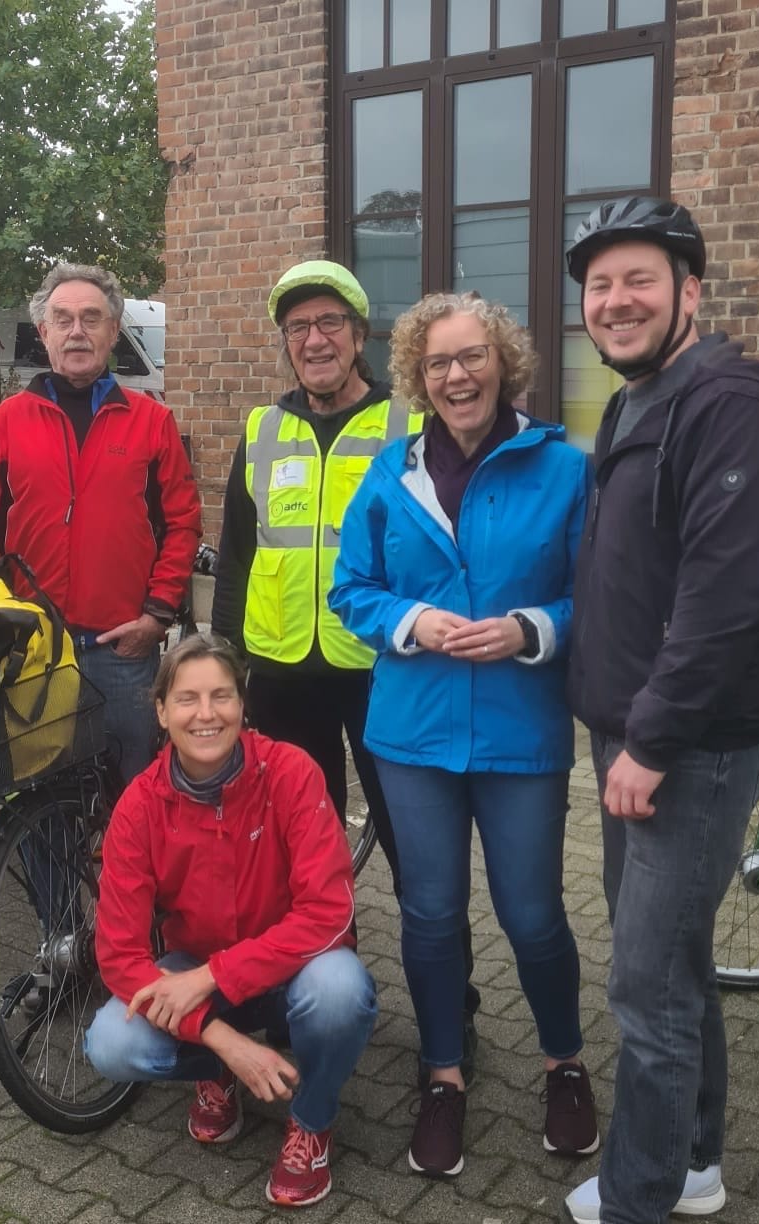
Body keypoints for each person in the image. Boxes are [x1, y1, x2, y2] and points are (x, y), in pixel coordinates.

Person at [560, 198, 759, 1224]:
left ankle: (639, 1199)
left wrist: (650, 740)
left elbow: (726, 595)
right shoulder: (636, 401)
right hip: (642, 737)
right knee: (676, 965)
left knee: (647, 993)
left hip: (686, 750)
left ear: (690, 292)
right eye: (601, 286)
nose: (616, 302)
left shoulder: (728, 403)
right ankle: (695, 1161)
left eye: (640, 281)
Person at [329, 291, 595, 1179]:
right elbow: (351, 590)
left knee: (532, 916)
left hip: (521, 733)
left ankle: (563, 1061)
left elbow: (595, 597)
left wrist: (529, 630)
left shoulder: (563, 468)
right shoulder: (389, 472)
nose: (455, 375)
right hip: (411, 735)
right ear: (417, 377)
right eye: (437, 363)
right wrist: (411, 622)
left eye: (470, 356)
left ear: (502, 363)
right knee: (431, 915)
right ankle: (443, 1075)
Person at [209, 260, 481, 1081]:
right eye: (298, 329)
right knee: (296, 851)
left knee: (414, 850)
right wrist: (225, 660)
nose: (314, 340)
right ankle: (310, 995)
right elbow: (236, 555)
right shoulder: (262, 430)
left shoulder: (410, 423)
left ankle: (452, 1008)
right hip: (283, 672)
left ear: (358, 335)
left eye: (329, 323)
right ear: (286, 344)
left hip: (387, 671)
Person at [85, 633, 378, 1210]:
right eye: (188, 698)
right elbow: (120, 956)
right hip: (200, 975)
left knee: (342, 991)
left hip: (291, 967)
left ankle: (313, 1120)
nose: (206, 714)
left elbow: (329, 911)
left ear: (243, 706)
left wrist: (210, 978)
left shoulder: (291, 772)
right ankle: (218, 1071)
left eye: (221, 696)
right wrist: (219, 1036)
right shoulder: (139, 807)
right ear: (161, 710)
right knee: (109, 1043)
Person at [0, 261, 202, 782]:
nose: (78, 331)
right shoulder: (4, 425)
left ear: (113, 331)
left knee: (128, 803)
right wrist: (3, 619)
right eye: (63, 319)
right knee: (40, 810)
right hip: (33, 654)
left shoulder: (152, 422)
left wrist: (157, 614)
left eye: (92, 318)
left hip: (121, 650)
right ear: (43, 332)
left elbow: (182, 526)